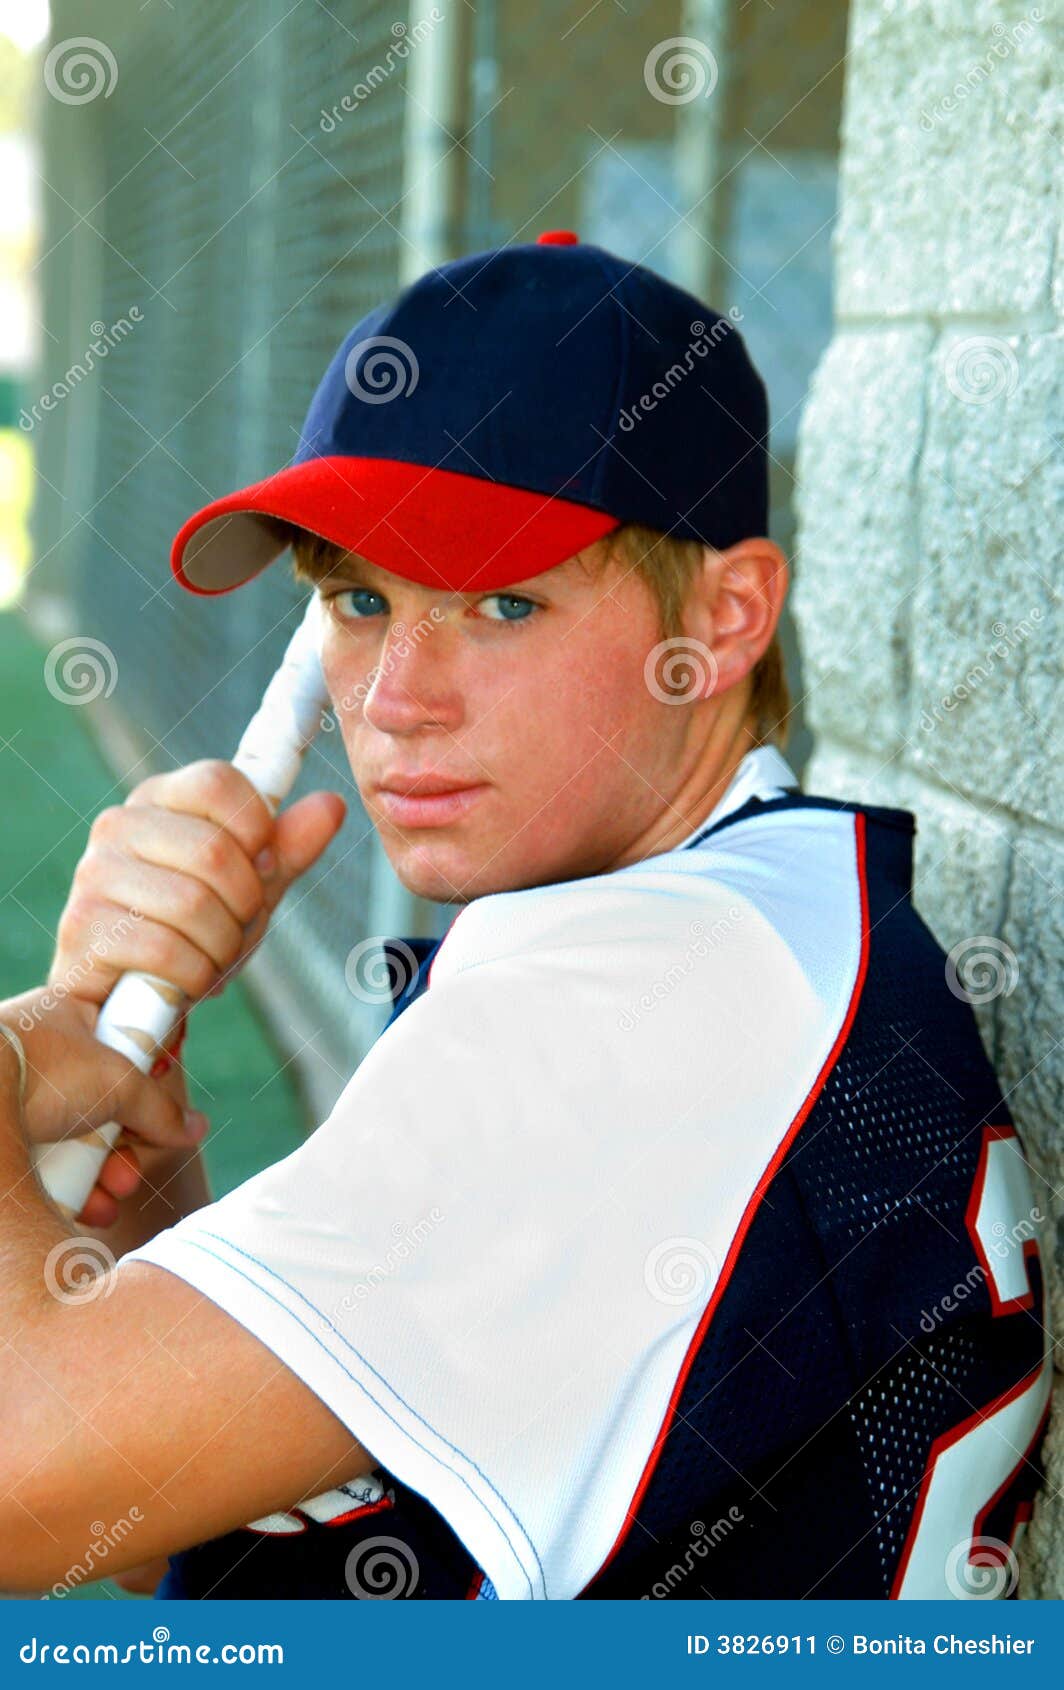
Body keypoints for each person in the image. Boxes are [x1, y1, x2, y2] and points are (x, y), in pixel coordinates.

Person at [0, 233, 1049, 1601]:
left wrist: (31, 1046)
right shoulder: (734, 925)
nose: (393, 702)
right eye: (362, 599)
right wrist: (123, 1121)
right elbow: (141, 1519)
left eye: (501, 601)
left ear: (728, 620)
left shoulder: (659, 997)